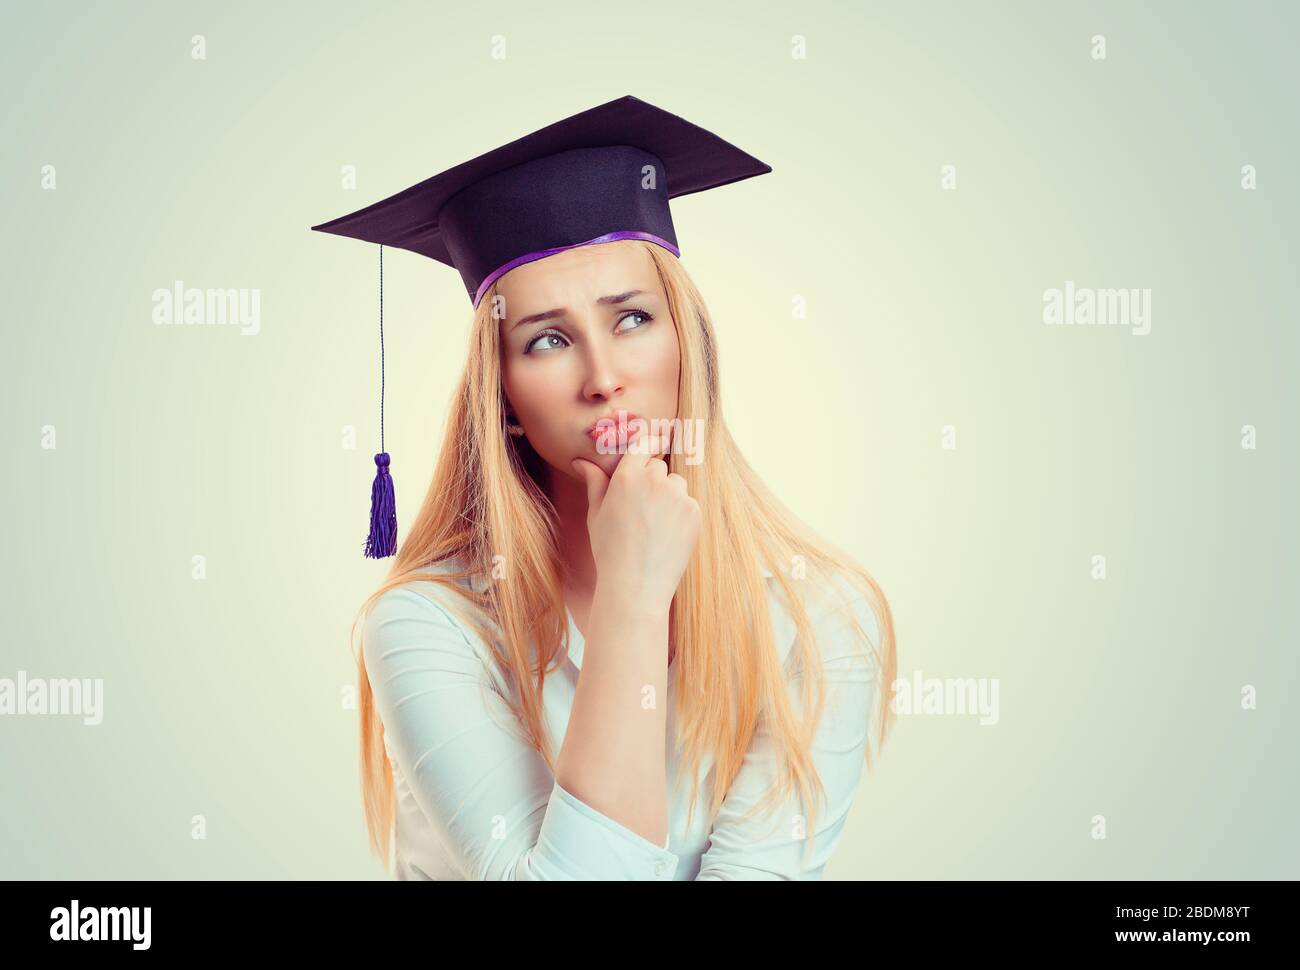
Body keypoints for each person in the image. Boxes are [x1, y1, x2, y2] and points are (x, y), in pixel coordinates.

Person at [317, 96, 898, 879]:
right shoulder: (429, 626)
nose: (605, 379)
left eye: (631, 320)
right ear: (505, 403)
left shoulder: (817, 614)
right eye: (548, 340)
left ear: (688, 344)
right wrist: (633, 593)